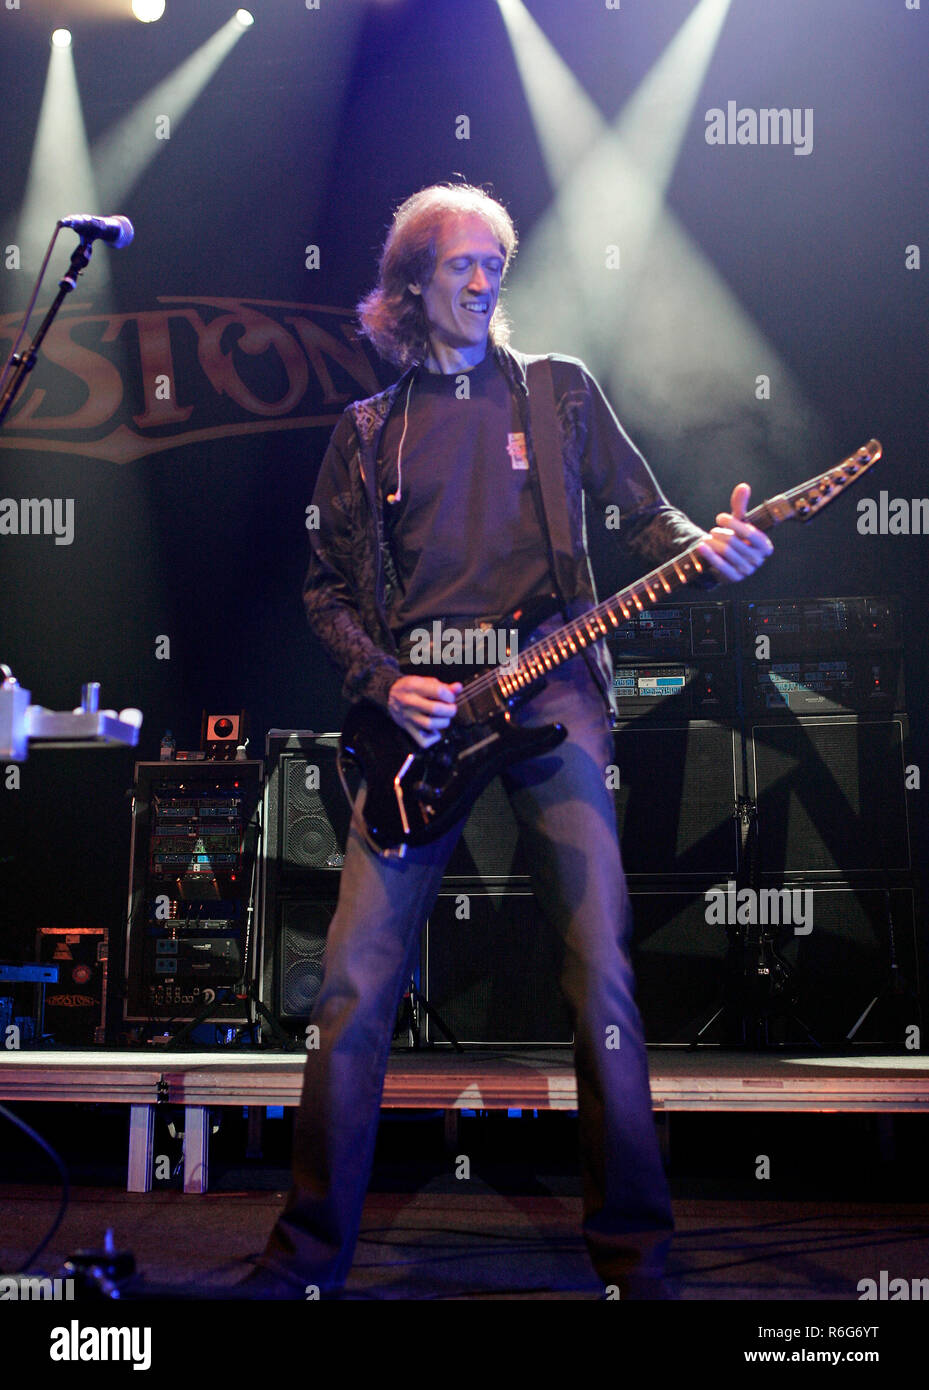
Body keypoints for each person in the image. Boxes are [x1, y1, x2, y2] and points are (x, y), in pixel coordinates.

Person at [247, 182, 773, 1299]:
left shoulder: (557, 395)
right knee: (348, 989)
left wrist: (709, 542)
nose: (484, 280)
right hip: (419, 730)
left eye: (496, 261)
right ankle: (301, 1265)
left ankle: (635, 1259)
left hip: (549, 699)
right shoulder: (365, 431)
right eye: (460, 264)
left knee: (602, 979)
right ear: (410, 285)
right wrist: (388, 683)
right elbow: (328, 592)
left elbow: (647, 520)